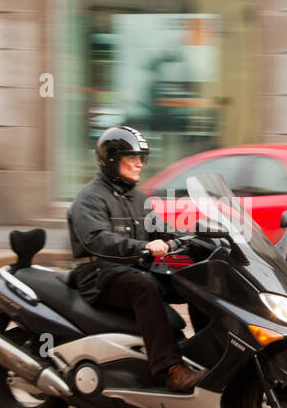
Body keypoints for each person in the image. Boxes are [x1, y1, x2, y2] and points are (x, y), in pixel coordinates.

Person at [67, 126, 202, 393]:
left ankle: (209, 353)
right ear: (112, 160)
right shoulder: (90, 198)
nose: (140, 163)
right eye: (132, 157)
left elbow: (163, 230)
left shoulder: (139, 199)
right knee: (144, 286)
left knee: (198, 281)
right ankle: (170, 369)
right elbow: (97, 240)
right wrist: (143, 247)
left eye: (142, 157)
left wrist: (198, 236)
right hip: (100, 275)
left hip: (133, 269)